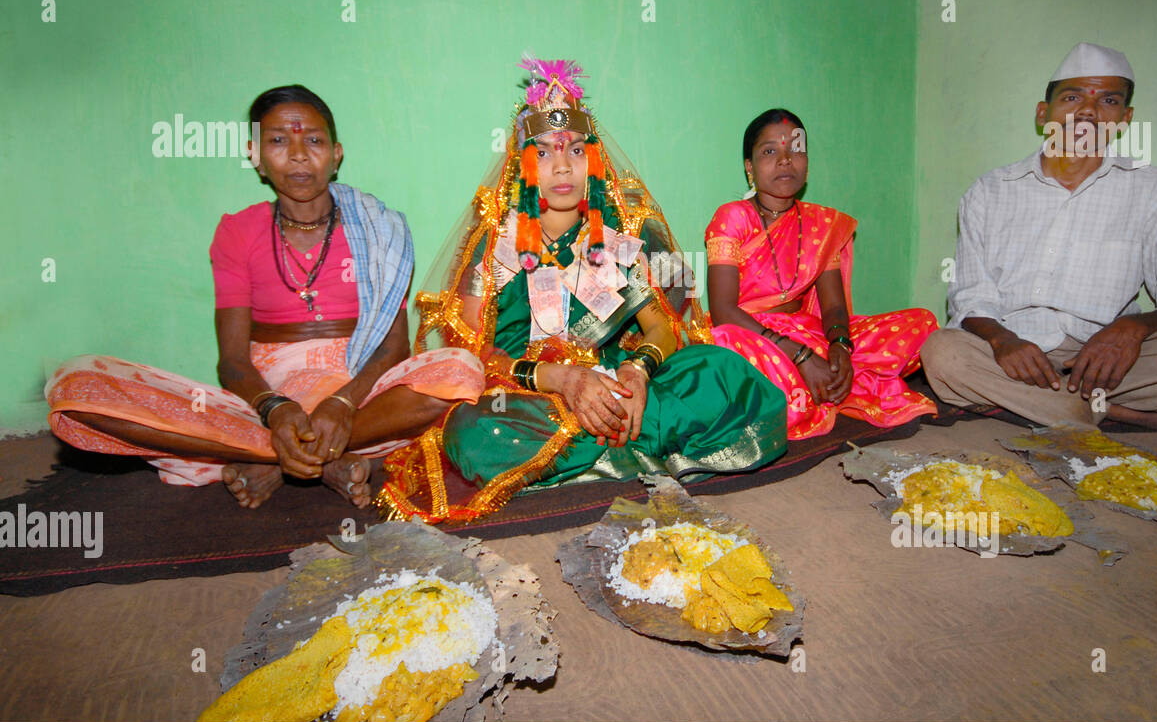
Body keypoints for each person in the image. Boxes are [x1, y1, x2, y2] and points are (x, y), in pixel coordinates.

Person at [378, 58, 788, 524]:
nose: (562, 167)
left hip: (620, 389)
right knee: (472, 432)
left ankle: (594, 444)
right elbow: (474, 356)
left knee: (724, 372)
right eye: (545, 153)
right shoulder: (493, 245)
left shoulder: (622, 234)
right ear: (521, 165)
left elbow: (661, 326)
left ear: (592, 159)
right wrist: (564, 381)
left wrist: (635, 371)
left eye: (575, 150)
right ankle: (621, 444)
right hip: (528, 396)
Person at [46, 85, 485, 508]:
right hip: (268, 391)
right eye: (277, 140)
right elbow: (233, 362)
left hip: (361, 390)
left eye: (313, 140)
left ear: (336, 155)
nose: (298, 154)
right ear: (257, 159)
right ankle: (317, 454)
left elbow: (392, 349)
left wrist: (341, 403)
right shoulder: (237, 232)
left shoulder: (379, 228)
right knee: (75, 385)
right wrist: (275, 411)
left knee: (459, 371)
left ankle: (276, 459)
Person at [921, 43, 1157, 445]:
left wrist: (1131, 328)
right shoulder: (990, 190)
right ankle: (1134, 417)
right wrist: (1003, 340)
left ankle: (1061, 410)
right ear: (1043, 113)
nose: (1087, 112)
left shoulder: (1156, 190)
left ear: (1124, 119)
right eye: (1072, 97)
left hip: (1114, 363)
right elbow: (970, 298)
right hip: (1015, 357)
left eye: (1107, 100)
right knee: (942, 352)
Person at [705, 109, 938, 439]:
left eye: (795, 150)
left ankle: (820, 382)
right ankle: (805, 386)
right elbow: (723, 311)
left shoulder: (821, 225)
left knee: (922, 322)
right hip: (750, 338)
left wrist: (841, 347)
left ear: (807, 162)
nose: (785, 160)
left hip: (806, 331)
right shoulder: (732, 217)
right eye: (770, 151)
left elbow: (833, 308)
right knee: (725, 355)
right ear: (749, 167)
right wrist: (800, 356)